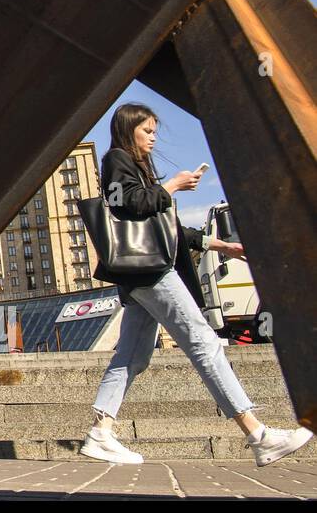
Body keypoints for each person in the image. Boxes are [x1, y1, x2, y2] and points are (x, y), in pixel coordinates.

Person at [81, 103, 313, 466]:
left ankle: (100, 432)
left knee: (131, 357)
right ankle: (258, 434)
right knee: (205, 343)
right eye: (148, 130)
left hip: (141, 278)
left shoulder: (137, 167)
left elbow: (164, 227)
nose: (154, 137)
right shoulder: (115, 159)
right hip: (151, 274)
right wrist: (171, 186)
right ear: (129, 130)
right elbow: (129, 205)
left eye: (155, 130)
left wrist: (220, 245)